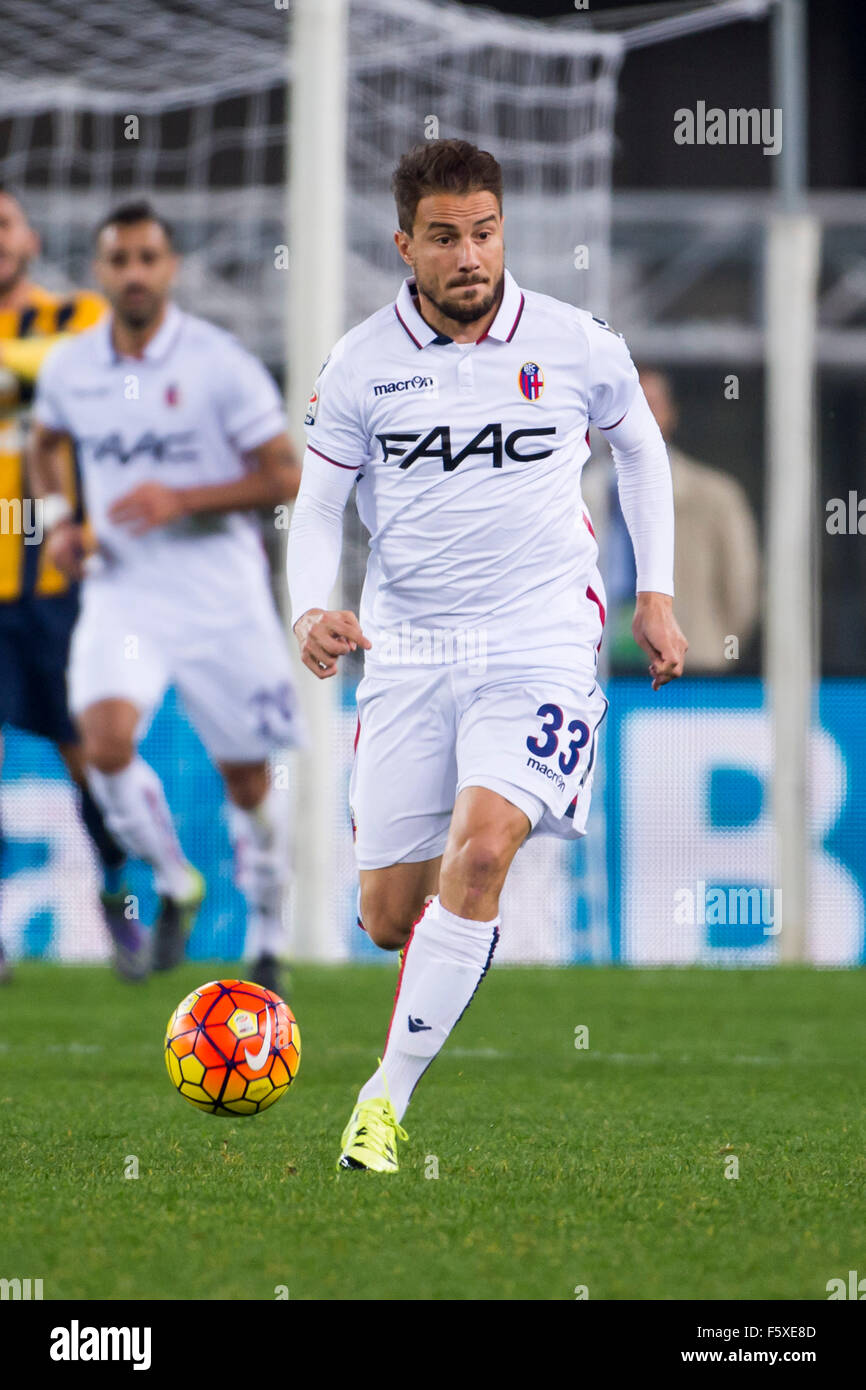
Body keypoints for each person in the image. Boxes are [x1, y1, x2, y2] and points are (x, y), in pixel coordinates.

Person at [287, 139, 687, 1172]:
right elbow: (319, 502)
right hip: (409, 650)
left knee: (479, 853)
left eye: (484, 231)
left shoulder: (573, 343)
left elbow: (637, 444)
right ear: (404, 245)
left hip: (540, 638)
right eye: (443, 237)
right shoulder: (359, 362)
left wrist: (654, 593)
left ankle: (381, 1103)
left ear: (500, 228)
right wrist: (307, 611)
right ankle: (448, 946)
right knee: (385, 916)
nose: (468, 254)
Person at [29, 201, 304, 994]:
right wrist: (61, 522)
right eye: (120, 261)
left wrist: (183, 499)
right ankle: (177, 880)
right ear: (100, 273)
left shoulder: (219, 363)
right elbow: (46, 443)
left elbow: (284, 474)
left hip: (221, 595)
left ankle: (267, 937)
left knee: (250, 779)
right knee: (105, 746)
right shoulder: (72, 366)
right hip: (123, 592)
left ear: (171, 267)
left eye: (149, 258)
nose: (136, 274)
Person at [0, 184, 136, 982]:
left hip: (56, 583)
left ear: (31, 236)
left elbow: (85, 382)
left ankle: (116, 890)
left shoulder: (77, 319)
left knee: (88, 753)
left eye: (4, 223)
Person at [582, 367, 760, 671]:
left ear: (671, 414)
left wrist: (711, 647)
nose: (638, 416)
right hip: (595, 668)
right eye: (626, 405)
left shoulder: (714, 496)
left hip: (690, 672)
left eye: (651, 405)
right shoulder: (576, 493)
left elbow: (742, 591)